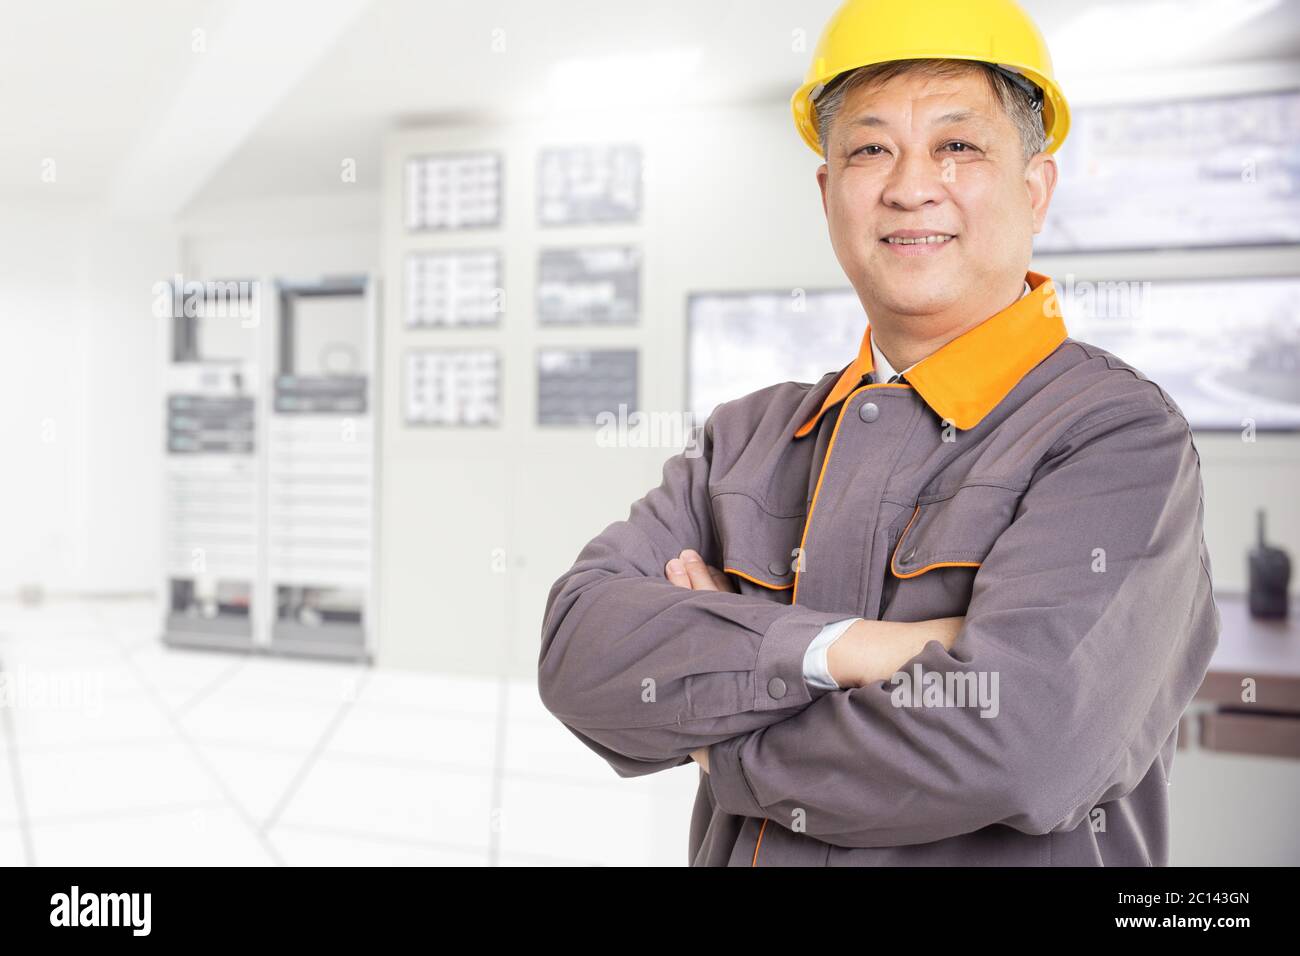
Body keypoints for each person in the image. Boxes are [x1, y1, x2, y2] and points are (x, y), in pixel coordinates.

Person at [538, 0, 1220, 866]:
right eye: (869, 149)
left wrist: (723, 738)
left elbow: (1028, 745)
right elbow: (579, 654)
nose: (909, 184)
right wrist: (862, 651)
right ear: (830, 195)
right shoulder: (744, 438)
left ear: (1036, 189)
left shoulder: (1117, 437)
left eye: (958, 145)